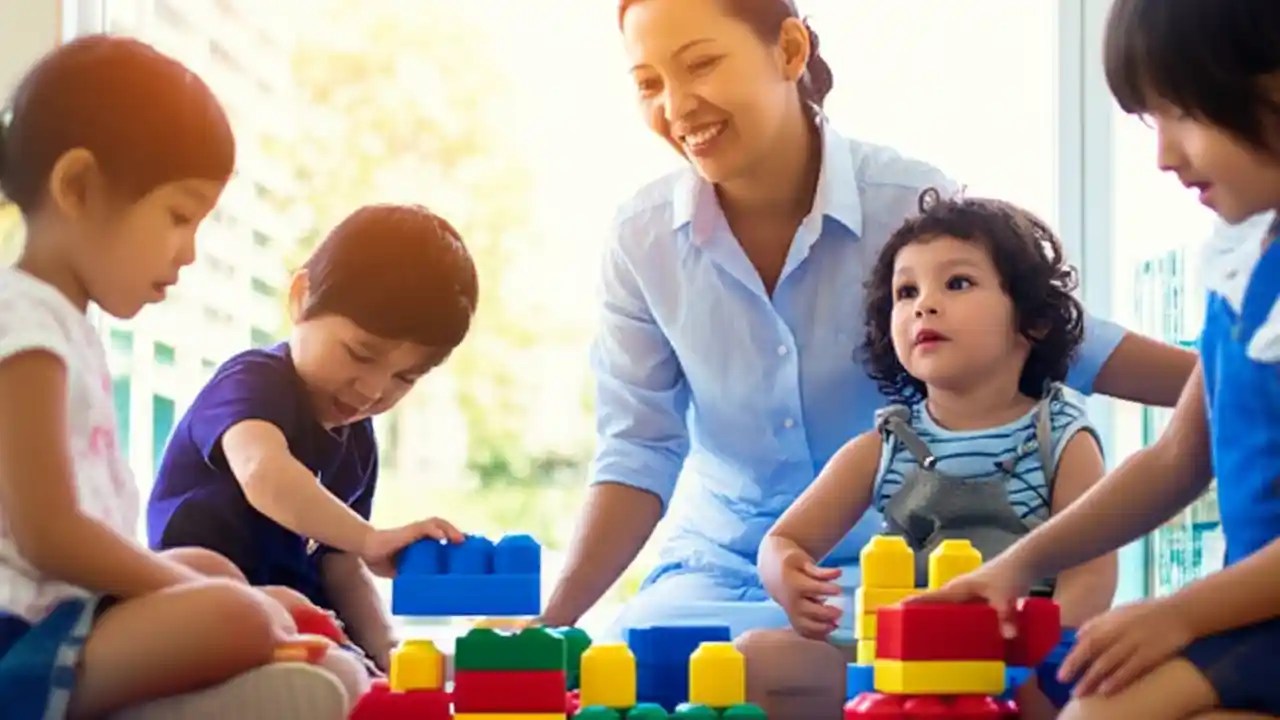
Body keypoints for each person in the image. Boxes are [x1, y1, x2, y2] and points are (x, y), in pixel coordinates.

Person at [540, 0, 1196, 672]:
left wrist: (1238, 384)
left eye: (701, 63)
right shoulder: (641, 239)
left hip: (891, 576)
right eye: (648, 83)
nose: (676, 107)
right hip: (711, 574)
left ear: (790, 52)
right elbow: (638, 450)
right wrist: (546, 624)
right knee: (639, 671)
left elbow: (1052, 329)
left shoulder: (908, 200)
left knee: (845, 675)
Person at [917, 1, 1280, 719]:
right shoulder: (1243, 269)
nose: (1165, 156)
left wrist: (1178, 614)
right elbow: (1176, 459)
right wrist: (1016, 568)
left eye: (1182, 113)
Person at [0, 35, 354, 719]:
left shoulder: (63, 324)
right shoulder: (25, 328)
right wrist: (196, 598)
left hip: (61, 613)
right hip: (20, 632)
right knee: (235, 613)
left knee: (217, 574)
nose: (189, 252)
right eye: (178, 216)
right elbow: (47, 534)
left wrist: (195, 587)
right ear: (77, 187)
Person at [757, 195, 1117, 719]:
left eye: (957, 283)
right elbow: (785, 539)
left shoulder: (1061, 438)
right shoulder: (885, 446)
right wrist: (785, 573)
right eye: (907, 291)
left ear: (1033, 320)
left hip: (1014, 665)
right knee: (757, 659)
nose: (924, 304)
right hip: (893, 665)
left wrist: (1026, 646)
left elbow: (1091, 575)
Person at [147, 203, 477, 672]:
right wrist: (369, 537)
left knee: (354, 670)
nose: (372, 390)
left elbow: (342, 565)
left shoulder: (357, 442)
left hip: (294, 631)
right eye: (360, 354)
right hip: (197, 611)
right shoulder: (252, 382)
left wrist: (389, 652)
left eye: (405, 378)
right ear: (302, 298)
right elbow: (264, 471)